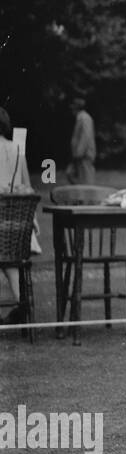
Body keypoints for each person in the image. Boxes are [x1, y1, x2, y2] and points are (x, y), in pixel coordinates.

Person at [0, 107, 34, 325]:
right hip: (15, 230)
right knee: (10, 262)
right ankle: (22, 304)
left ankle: (16, 308)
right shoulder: (18, 149)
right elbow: (27, 189)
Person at [68, 97, 95, 184]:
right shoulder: (81, 117)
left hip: (84, 155)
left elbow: (85, 137)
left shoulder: (84, 118)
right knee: (71, 174)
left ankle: (88, 197)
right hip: (80, 155)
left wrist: (79, 153)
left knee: (86, 181)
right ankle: (79, 196)